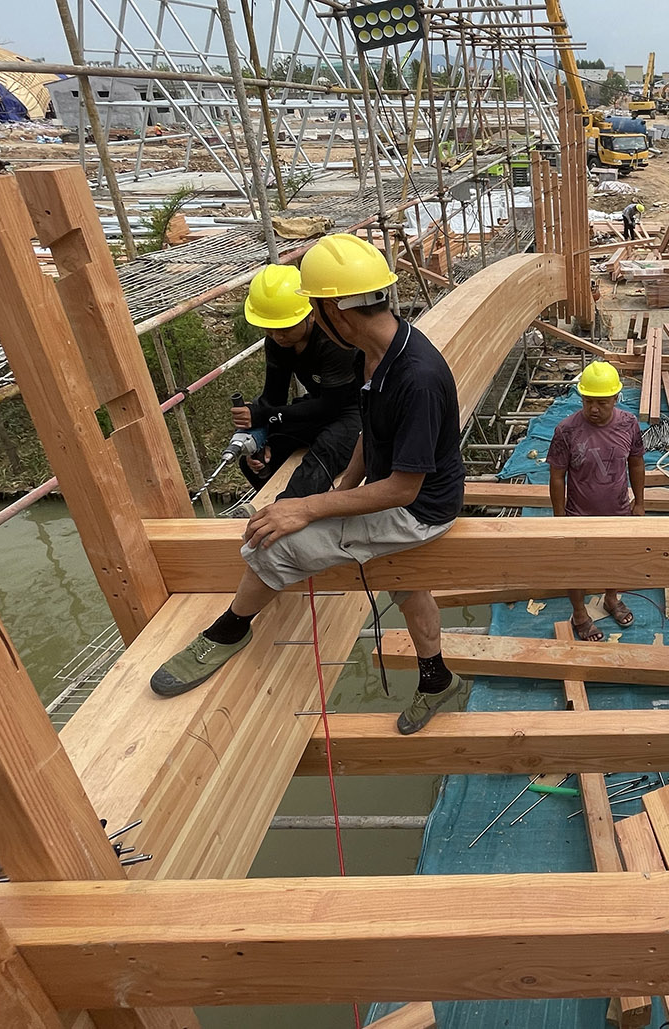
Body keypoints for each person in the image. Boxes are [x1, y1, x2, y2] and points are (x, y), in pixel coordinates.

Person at [151, 234, 470, 737]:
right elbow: (370, 429)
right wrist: (344, 489)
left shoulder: (417, 377)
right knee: (405, 583)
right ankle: (437, 679)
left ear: (333, 312)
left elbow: (404, 491)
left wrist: (312, 508)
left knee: (276, 539)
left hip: (421, 509)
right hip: (398, 495)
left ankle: (230, 630)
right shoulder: (377, 354)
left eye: (314, 309)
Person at [233, 265, 362, 499]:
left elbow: (332, 405)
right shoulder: (277, 342)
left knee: (326, 451)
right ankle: (266, 496)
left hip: (355, 408)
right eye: (269, 330)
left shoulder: (332, 340)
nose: (277, 337)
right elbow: (274, 396)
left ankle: (287, 508)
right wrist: (261, 433)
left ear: (311, 313)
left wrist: (266, 415)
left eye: (284, 329)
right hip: (320, 404)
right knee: (253, 456)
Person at [548, 361, 645, 641]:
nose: (593, 409)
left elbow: (636, 463)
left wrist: (638, 503)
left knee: (615, 560)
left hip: (618, 511)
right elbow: (557, 476)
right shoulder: (567, 431)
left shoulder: (628, 424)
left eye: (602, 403)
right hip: (579, 515)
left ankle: (611, 598)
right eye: (588, 401)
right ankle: (580, 613)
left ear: (615, 398)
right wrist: (560, 519)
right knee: (575, 567)